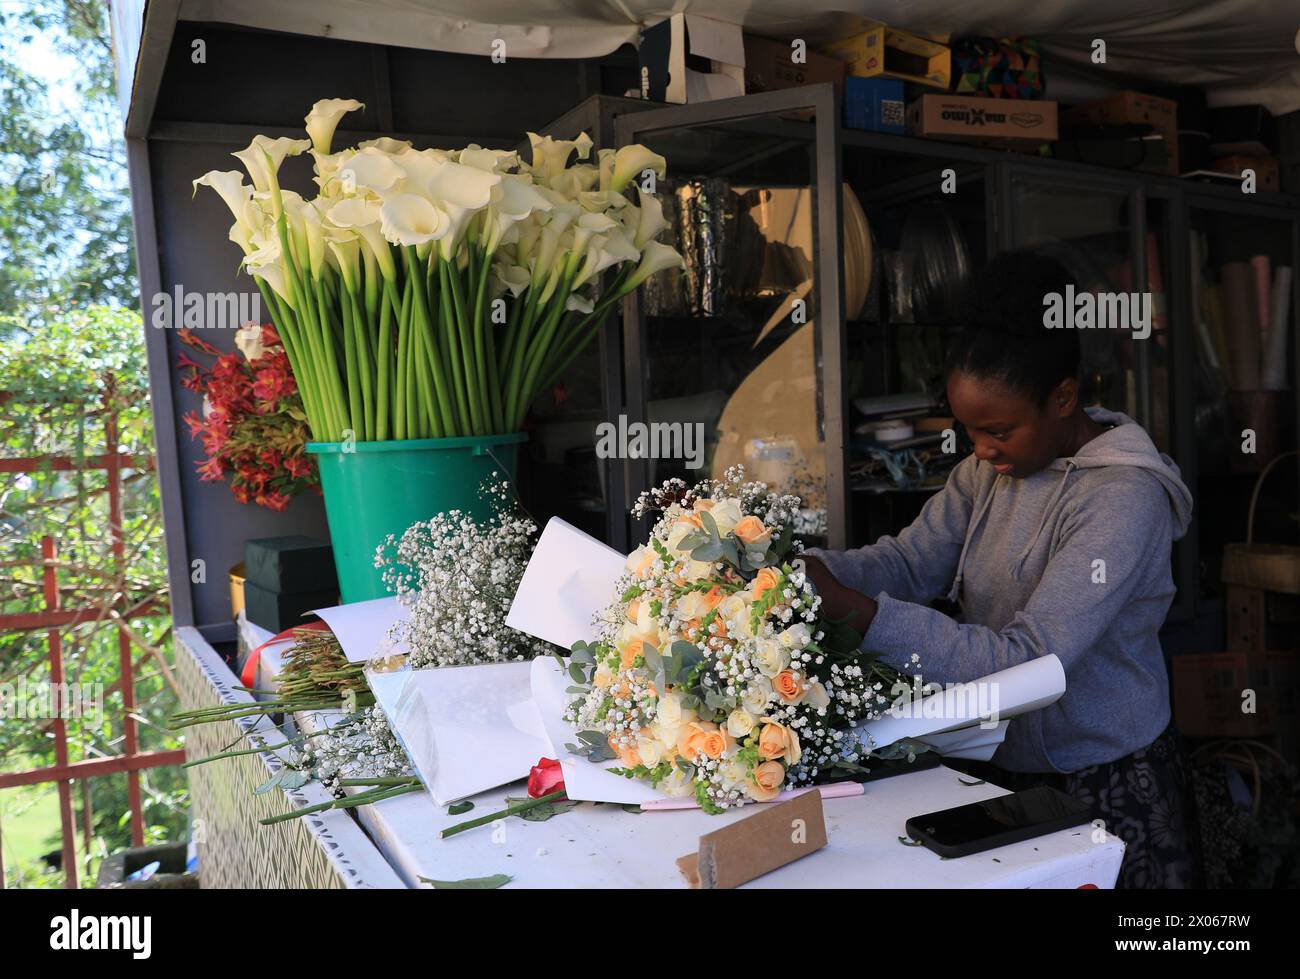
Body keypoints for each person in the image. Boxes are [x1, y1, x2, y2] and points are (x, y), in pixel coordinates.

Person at [803, 252, 1203, 888]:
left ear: (1064, 397)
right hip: (997, 763)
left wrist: (859, 613)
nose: (980, 450)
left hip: (1101, 778)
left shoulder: (1124, 499)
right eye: (968, 431)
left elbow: (1032, 658)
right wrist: (804, 571)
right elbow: (910, 562)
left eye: (999, 430)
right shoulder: (986, 472)